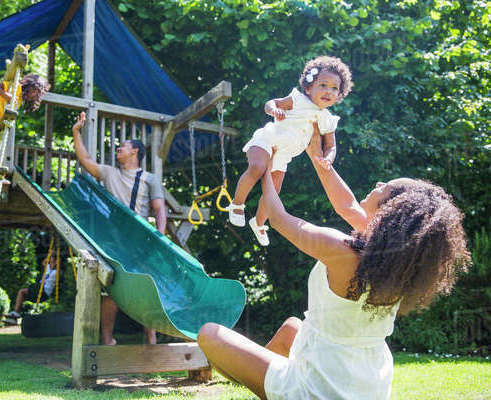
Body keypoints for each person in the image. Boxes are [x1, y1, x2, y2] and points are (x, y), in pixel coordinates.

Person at [198, 133, 470, 399]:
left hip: (320, 390)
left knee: (209, 334)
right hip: (367, 387)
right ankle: (261, 377)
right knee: (293, 327)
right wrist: (319, 160)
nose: (377, 182)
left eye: (384, 187)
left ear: (390, 212)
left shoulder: (343, 250)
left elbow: (279, 219)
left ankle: (269, 384)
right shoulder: (394, 264)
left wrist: (269, 169)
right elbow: (348, 205)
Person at [229, 55, 353, 246]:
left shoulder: (328, 119)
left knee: (274, 190)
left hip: (285, 153)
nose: (329, 91)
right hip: (269, 139)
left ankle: (259, 222)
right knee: (257, 168)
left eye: (334, 88)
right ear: (309, 87)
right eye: (323, 85)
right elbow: (271, 103)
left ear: (340, 94)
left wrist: (328, 158)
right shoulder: (298, 100)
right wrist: (274, 111)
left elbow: (331, 146)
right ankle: (237, 204)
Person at [72, 111, 167, 346]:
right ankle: (106, 340)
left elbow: (159, 209)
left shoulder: (149, 179)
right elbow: (85, 160)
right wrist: (76, 132)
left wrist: (160, 237)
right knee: (111, 290)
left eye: (122, 147)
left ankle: (151, 337)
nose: (118, 149)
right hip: (114, 241)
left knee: (147, 289)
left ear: (135, 151)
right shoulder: (109, 173)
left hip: (140, 241)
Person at [6, 252, 57, 320]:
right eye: (50, 259)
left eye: (52, 259)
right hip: (38, 290)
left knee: (22, 292)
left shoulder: (56, 272)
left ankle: (16, 312)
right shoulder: (47, 267)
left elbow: (57, 270)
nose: (50, 260)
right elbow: (44, 262)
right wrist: (50, 254)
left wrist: (56, 261)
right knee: (22, 295)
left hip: (44, 293)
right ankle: (15, 316)